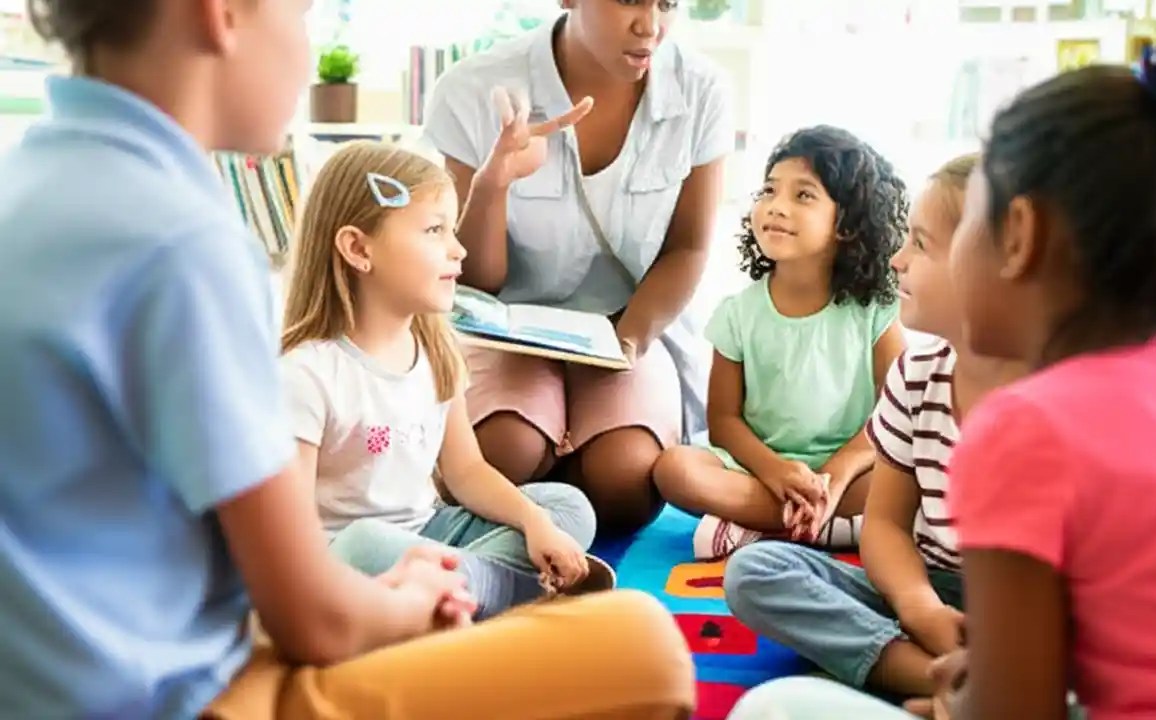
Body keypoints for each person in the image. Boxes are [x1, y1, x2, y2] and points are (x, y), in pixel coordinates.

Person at [0, 2, 694, 718]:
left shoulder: (26, 187)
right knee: (646, 650)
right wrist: (411, 601)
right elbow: (312, 618)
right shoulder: (183, 244)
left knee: (546, 538)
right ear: (221, 13)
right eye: (301, 12)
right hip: (171, 695)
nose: (306, 49)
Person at [916, 30, 1156, 720]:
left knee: (780, 705)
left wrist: (965, 704)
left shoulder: (1022, 429)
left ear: (1019, 234)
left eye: (967, 221)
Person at [421, 0, 735, 534]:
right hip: (505, 329)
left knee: (626, 484)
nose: (651, 26)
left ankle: (555, 484)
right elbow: (474, 281)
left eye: (668, 3)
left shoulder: (702, 91)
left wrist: (626, 342)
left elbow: (687, 249)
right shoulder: (473, 88)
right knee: (505, 453)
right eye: (630, 0)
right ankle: (545, 479)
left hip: (631, 324)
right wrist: (493, 186)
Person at [724, 154, 1024, 696]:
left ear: (999, 268)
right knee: (756, 572)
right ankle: (943, 684)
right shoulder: (917, 376)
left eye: (921, 245)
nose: (898, 260)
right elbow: (885, 525)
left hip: (1032, 609)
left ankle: (986, 687)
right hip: (928, 586)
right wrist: (920, 607)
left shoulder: (1060, 405)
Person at [280, 141, 616, 620]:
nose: (458, 250)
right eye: (435, 230)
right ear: (358, 248)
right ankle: (499, 591)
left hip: (431, 531)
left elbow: (466, 472)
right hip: (349, 558)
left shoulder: (435, 351)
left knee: (566, 506)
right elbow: (287, 531)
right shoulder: (306, 376)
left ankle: (460, 594)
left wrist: (535, 523)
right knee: (365, 542)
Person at [653, 126, 908, 560]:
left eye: (803, 195)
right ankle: (825, 526)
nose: (775, 206)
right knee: (675, 470)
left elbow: (896, 411)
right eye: (769, 190)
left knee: (919, 473)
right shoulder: (737, 314)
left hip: (850, 469)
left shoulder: (876, 312)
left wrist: (836, 474)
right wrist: (774, 471)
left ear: (847, 223)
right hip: (757, 469)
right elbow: (724, 421)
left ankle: (760, 527)